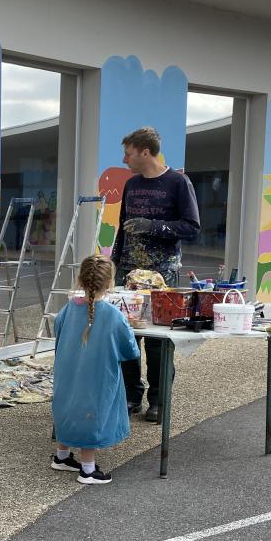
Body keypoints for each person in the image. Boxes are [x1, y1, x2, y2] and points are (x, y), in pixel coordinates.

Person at [110, 127, 200, 422]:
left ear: (145, 152)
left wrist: (154, 226)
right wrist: (114, 263)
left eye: (128, 153)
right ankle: (130, 395)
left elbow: (192, 227)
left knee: (159, 340)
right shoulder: (132, 185)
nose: (125, 159)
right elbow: (122, 225)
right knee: (127, 336)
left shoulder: (178, 182)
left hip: (163, 274)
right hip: (129, 274)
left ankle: (159, 400)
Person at [49, 255, 140, 484]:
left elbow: (58, 332)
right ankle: (87, 469)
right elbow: (131, 351)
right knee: (91, 412)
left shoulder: (68, 309)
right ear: (110, 283)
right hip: (97, 377)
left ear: (80, 278)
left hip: (67, 374)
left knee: (67, 407)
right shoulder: (114, 316)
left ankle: (62, 457)